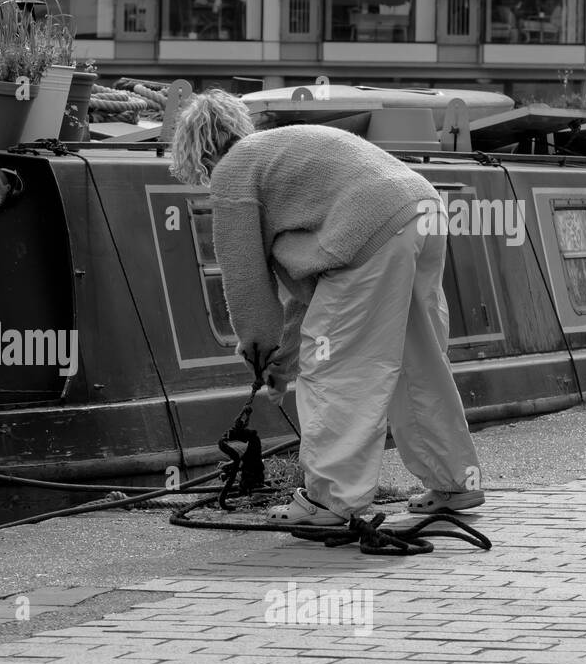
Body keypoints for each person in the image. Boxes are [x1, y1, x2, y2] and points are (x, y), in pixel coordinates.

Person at [169, 89, 484, 526]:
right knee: (419, 361)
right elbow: (309, 294)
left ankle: (330, 501)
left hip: (368, 230)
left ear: (199, 151)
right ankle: (454, 481)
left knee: (336, 370)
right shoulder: (280, 153)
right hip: (421, 209)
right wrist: (282, 365)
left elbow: (244, 281)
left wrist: (259, 351)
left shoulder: (233, 173)